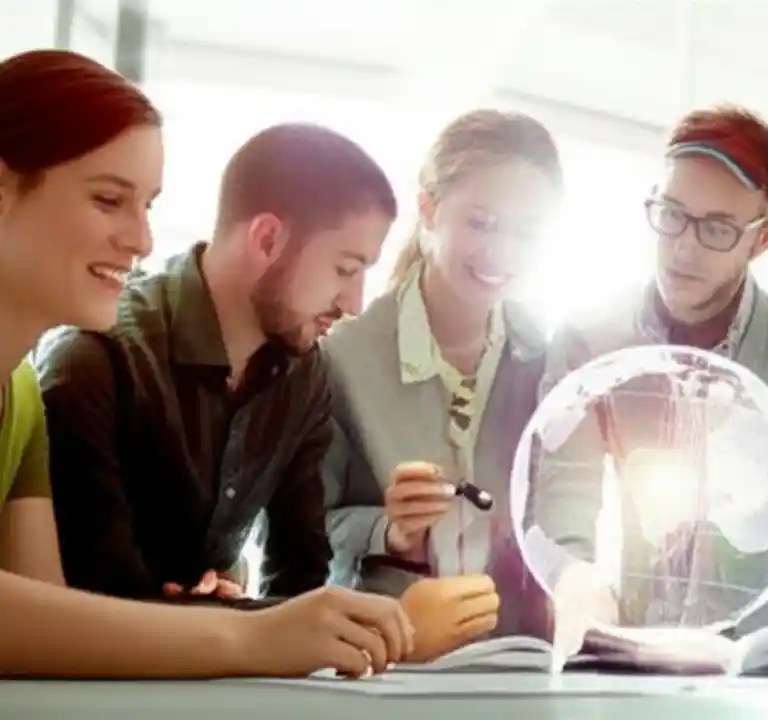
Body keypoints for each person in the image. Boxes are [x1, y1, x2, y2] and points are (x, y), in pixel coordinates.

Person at [0, 48, 409, 679]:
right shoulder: (86, 365)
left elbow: (48, 632)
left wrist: (236, 620)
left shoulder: (20, 392)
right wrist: (239, 633)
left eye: (148, 206)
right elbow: (61, 619)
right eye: (109, 200)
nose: (141, 240)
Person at [537, 105, 768, 637]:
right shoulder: (589, 343)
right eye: (671, 214)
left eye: (717, 229)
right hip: (619, 652)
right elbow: (561, 498)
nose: (683, 248)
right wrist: (576, 582)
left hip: (757, 673)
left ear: (763, 238)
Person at [34, 120, 396, 601]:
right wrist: (233, 622)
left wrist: (251, 620)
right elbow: (98, 593)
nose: (353, 303)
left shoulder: (306, 372)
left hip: (211, 663)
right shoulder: (96, 359)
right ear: (266, 239)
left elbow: (301, 580)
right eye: (344, 270)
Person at [323, 109, 562, 655]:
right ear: (428, 209)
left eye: (526, 232)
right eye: (480, 223)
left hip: (515, 660)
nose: (501, 252)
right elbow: (297, 541)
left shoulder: (545, 358)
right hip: (380, 659)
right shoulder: (342, 354)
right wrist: (390, 531)